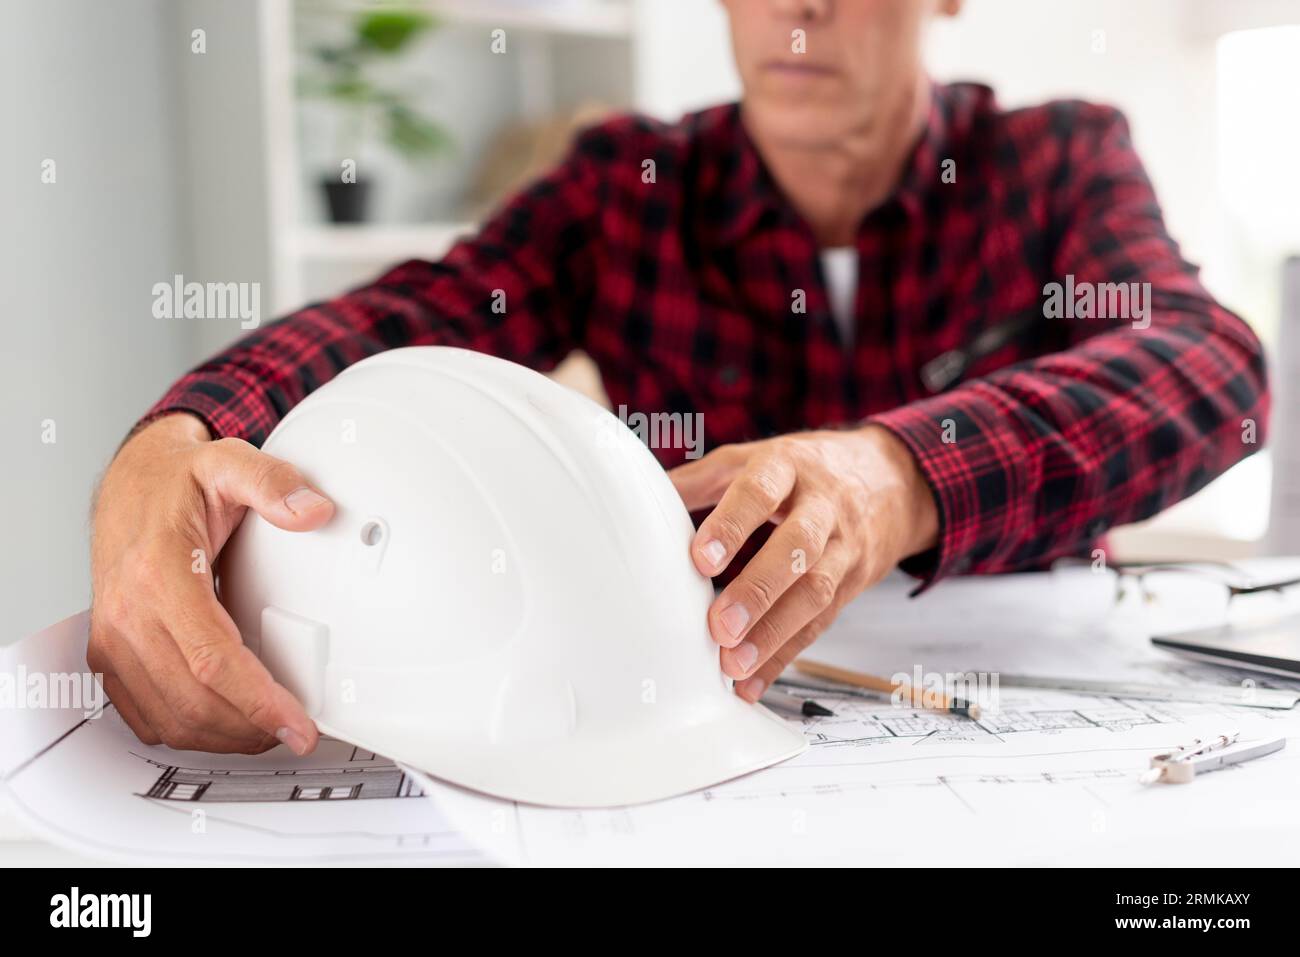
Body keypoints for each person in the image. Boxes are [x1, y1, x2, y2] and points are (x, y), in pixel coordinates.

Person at [89, 0, 1269, 756]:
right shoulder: (627, 183)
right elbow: (419, 312)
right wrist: (182, 432)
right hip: (686, 709)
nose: (796, 11)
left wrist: (897, 474)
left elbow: (1212, 364)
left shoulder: (1054, 158)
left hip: (1032, 710)